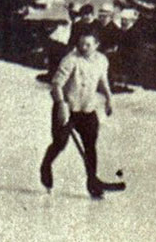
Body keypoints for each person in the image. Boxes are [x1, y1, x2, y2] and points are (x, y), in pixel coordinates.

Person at [40, 29, 119, 199]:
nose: (83, 47)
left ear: (96, 45)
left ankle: (92, 183)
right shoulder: (70, 60)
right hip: (67, 108)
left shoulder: (101, 60)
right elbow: (56, 84)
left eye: (88, 44)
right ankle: (45, 166)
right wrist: (61, 105)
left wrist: (109, 98)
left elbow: (103, 81)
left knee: (90, 146)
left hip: (87, 110)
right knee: (60, 142)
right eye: (81, 44)